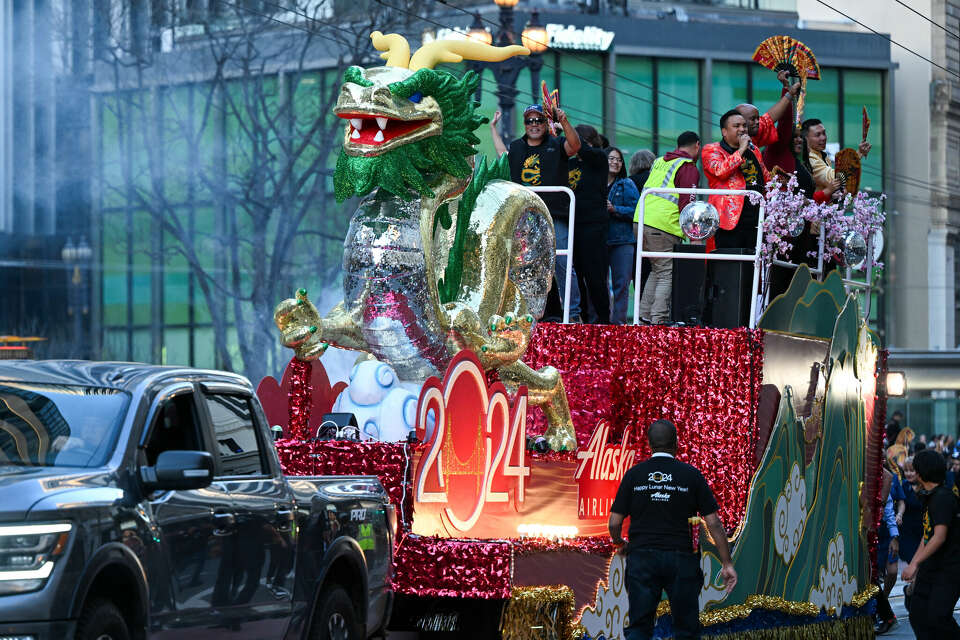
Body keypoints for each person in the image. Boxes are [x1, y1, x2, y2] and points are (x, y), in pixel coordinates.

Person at [609, 419, 737, 640]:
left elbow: (614, 523)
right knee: (686, 630)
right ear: (676, 444)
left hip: (642, 559)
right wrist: (726, 563)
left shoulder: (634, 475)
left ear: (649, 444)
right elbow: (714, 522)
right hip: (681, 560)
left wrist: (619, 543)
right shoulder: (691, 475)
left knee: (639, 628)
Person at [492, 106, 582, 322]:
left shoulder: (556, 143)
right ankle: (526, 313)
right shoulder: (517, 146)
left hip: (553, 214)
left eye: (539, 120)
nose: (534, 124)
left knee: (562, 262)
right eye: (529, 121)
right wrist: (493, 128)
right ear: (525, 124)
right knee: (525, 263)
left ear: (545, 124)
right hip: (525, 216)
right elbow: (503, 155)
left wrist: (564, 121)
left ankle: (572, 314)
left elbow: (575, 146)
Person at [635, 131, 701, 325]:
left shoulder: (660, 161)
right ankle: (659, 319)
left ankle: (644, 317)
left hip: (641, 220)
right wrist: (694, 235)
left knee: (657, 270)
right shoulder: (687, 166)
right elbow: (688, 203)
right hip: (662, 225)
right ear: (697, 145)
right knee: (667, 272)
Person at [901, 449, 960, 639]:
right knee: (917, 612)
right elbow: (927, 536)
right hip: (931, 567)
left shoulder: (943, 497)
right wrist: (914, 564)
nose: (913, 473)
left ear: (921, 472)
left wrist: (915, 564)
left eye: (915, 469)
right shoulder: (930, 496)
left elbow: (939, 536)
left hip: (949, 569)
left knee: (938, 617)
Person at [702, 110, 770, 251]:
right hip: (728, 220)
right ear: (724, 132)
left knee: (752, 262)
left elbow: (765, 177)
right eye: (736, 126)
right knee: (728, 261)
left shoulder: (754, 150)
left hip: (755, 218)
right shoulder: (711, 150)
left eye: (744, 125)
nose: (742, 129)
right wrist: (742, 149)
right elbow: (720, 171)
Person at [568, 124, 611, 324]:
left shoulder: (599, 158)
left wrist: (566, 130)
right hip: (572, 225)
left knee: (595, 276)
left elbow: (583, 149)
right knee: (576, 276)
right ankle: (583, 319)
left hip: (593, 226)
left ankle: (603, 320)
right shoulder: (569, 163)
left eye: (577, 140)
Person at [606, 147, 640, 325]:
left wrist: (615, 209)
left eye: (619, 160)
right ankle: (600, 322)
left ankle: (618, 323)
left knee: (622, 284)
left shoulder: (626, 183)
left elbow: (637, 210)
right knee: (597, 284)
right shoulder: (595, 182)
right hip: (600, 240)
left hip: (622, 240)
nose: (615, 162)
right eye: (611, 158)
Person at [736, 69, 802, 159]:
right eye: (752, 119)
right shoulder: (717, 150)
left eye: (757, 118)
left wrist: (788, 91)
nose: (757, 122)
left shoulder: (752, 136)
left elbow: (769, 118)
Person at [802, 118, 872, 191]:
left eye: (824, 133)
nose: (823, 138)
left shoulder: (821, 154)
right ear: (806, 138)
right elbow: (835, 179)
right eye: (817, 135)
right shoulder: (810, 159)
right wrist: (859, 153)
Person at [628, 149, 657, 295]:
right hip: (656, 228)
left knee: (638, 271)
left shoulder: (629, 181)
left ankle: (640, 304)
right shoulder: (657, 181)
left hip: (634, 231)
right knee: (656, 271)